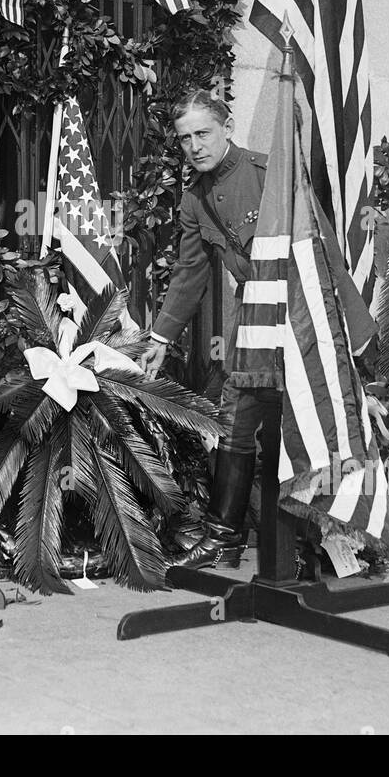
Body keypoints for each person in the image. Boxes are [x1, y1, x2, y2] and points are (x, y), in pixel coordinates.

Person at [140, 89, 283, 570]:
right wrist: (160, 338)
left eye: (203, 133)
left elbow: (321, 251)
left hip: (296, 315)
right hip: (251, 320)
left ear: (227, 128)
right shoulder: (194, 200)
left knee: (300, 422)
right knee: (234, 420)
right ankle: (224, 538)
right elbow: (189, 274)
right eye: (185, 139)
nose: (195, 146)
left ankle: (307, 542)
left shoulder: (269, 175)